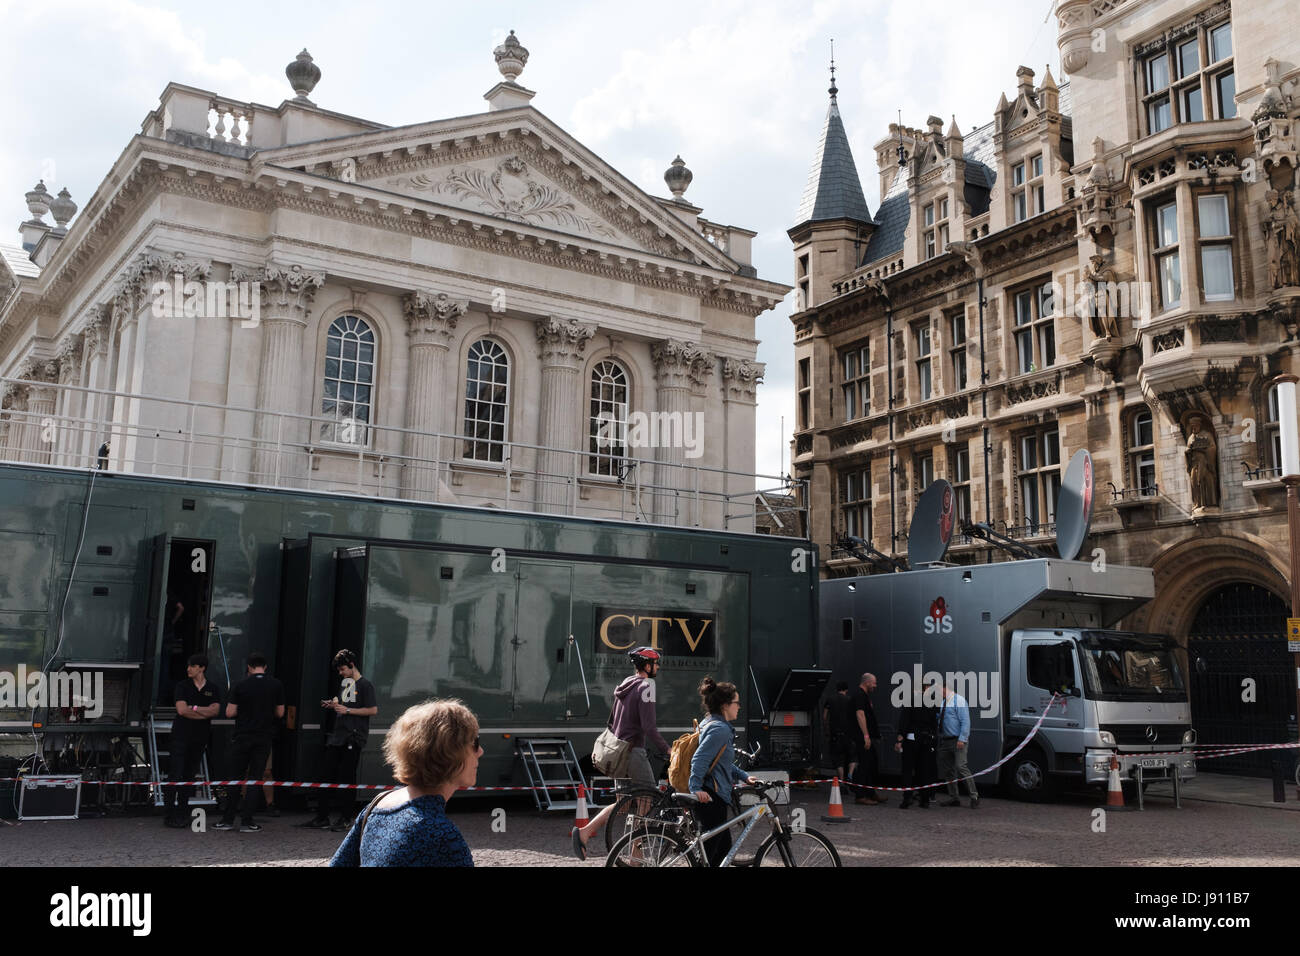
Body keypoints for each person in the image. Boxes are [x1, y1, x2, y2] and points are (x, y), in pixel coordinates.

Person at [329, 699, 479, 867]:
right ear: (450, 753)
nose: (480, 751)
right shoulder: (442, 835)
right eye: (475, 743)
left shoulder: (378, 804)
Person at [571, 646, 668, 860]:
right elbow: (649, 728)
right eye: (655, 663)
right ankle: (636, 854)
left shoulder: (625, 684)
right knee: (647, 799)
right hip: (633, 751)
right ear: (647, 665)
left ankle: (585, 832)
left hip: (617, 752)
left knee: (623, 804)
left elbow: (613, 721)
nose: (658, 667)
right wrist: (668, 749)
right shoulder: (647, 685)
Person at [303, 649, 378, 830]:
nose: (341, 673)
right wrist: (334, 704)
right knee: (325, 775)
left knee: (346, 778)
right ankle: (322, 817)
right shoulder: (346, 684)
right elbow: (345, 704)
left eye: (343, 669)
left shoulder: (365, 685)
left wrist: (348, 711)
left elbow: (373, 710)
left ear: (352, 665)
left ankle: (345, 819)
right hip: (338, 736)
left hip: (353, 737)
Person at [688, 677, 758, 867]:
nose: (739, 707)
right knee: (710, 854)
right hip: (711, 796)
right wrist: (695, 788)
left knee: (723, 848)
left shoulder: (710, 722)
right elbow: (699, 759)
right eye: (737, 702)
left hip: (713, 793)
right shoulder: (719, 729)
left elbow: (720, 762)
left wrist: (744, 776)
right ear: (725, 705)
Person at [214, 652, 284, 832]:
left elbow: (229, 712)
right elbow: (280, 713)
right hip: (264, 738)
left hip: (242, 736)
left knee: (236, 778)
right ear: (265, 667)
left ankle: (227, 820)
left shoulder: (240, 684)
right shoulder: (276, 685)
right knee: (255, 778)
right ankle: (247, 821)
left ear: (249, 667)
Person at [163, 654, 222, 828]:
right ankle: (169, 814)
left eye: (192, 666)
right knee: (175, 773)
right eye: (189, 666)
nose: (188, 669)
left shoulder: (213, 688)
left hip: (199, 737)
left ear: (202, 668)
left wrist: (194, 708)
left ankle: (183, 812)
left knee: (189, 775)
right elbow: (182, 710)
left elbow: (215, 711)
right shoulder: (182, 686)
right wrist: (204, 712)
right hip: (180, 736)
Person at [896, 679, 938, 809]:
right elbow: (935, 721)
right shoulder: (932, 701)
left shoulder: (910, 699)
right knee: (924, 769)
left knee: (908, 769)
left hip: (911, 738)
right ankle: (925, 799)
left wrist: (899, 739)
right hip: (926, 738)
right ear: (926, 687)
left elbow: (904, 720)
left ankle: (907, 798)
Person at [937, 680, 979, 809]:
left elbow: (965, 721)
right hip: (946, 740)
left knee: (961, 767)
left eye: (940, 689)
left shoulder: (959, 700)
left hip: (957, 740)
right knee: (948, 770)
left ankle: (974, 796)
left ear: (946, 688)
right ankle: (954, 797)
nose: (939, 692)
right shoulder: (944, 702)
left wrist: (962, 739)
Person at [849, 672, 885, 805]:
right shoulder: (859, 695)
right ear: (867, 682)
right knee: (865, 765)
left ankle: (870, 792)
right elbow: (860, 715)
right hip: (862, 738)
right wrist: (866, 736)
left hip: (866, 737)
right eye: (874, 683)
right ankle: (860, 795)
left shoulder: (864, 696)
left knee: (871, 764)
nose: (875, 686)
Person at [822, 681, 855, 783]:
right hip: (849, 734)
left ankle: (842, 780)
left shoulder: (830, 700)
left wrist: (826, 730)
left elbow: (824, 716)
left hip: (835, 735)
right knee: (853, 756)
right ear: (846, 689)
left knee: (838, 759)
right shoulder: (850, 700)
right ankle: (850, 774)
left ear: (837, 689)